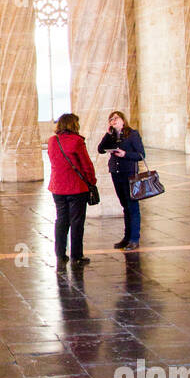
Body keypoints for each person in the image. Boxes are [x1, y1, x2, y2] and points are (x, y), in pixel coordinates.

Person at [47, 112, 96, 269]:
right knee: (76, 222)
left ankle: (60, 254)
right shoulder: (77, 141)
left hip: (58, 187)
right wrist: (92, 182)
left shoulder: (52, 141)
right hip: (76, 187)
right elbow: (86, 165)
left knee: (61, 220)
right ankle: (76, 256)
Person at [98, 110, 146, 250]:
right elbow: (100, 149)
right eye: (111, 119)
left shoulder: (132, 134)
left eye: (116, 118)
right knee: (125, 206)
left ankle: (134, 238)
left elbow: (141, 155)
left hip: (129, 173)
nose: (114, 121)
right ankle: (126, 237)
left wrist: (125, 154)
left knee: (132, 206)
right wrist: (107, 133)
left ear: (123, 120)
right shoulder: (112, 136)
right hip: (116, 172)